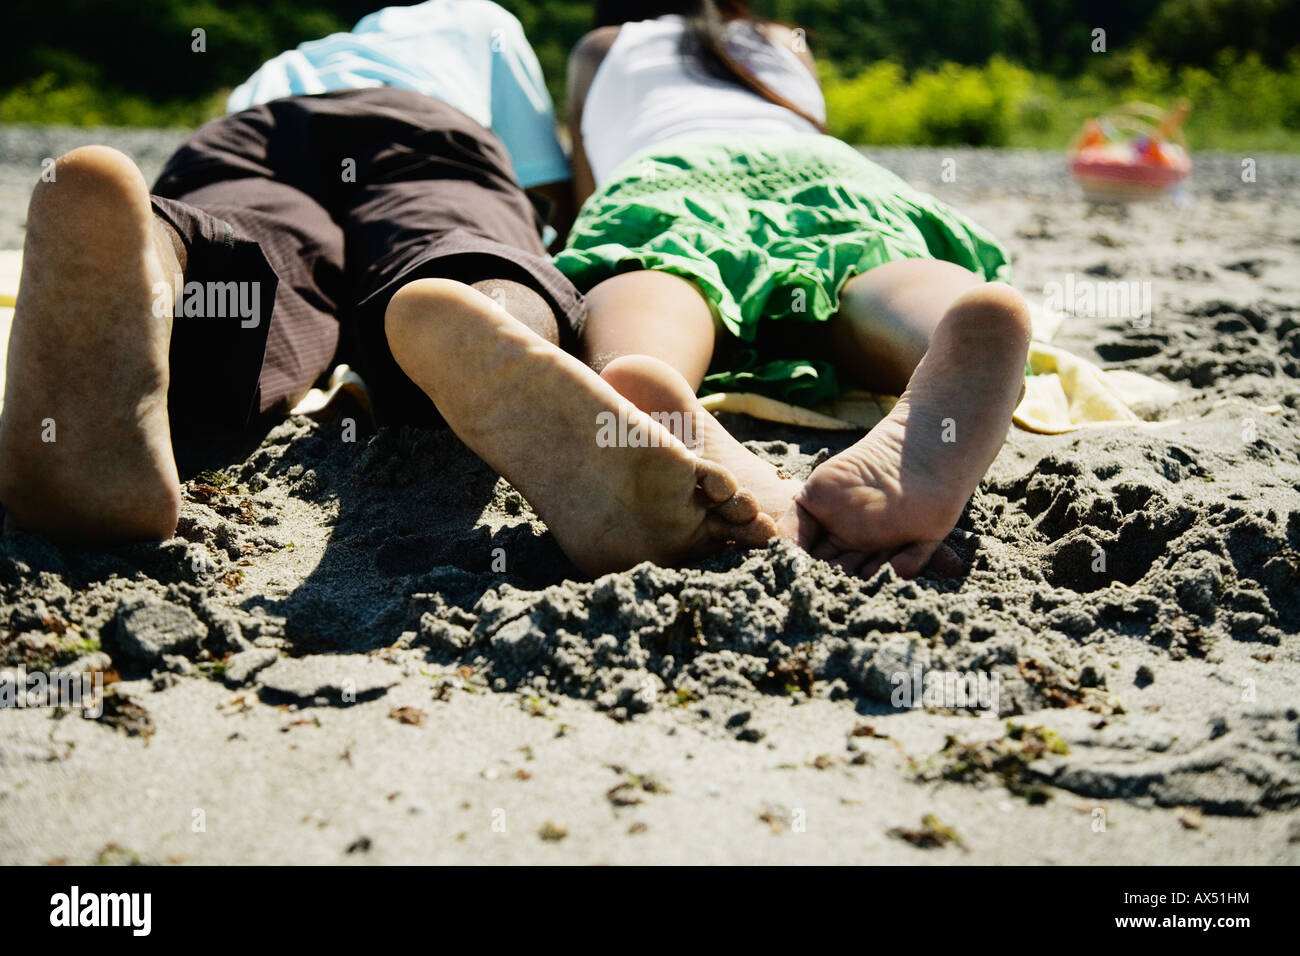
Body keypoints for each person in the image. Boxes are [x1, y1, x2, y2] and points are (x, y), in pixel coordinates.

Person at [0, 0, 773, 576]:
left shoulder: (295, 55)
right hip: (418, 125)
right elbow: (543, 189)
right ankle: (480, 305)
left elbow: (223, 132)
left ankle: (163, 256)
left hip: (249, 134)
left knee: (255, 255)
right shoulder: (478, 19)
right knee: (459, 233)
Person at [558, 0, 1033, 578]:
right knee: (859, 264)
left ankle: (638, 373)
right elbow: (812, 129)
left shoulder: (602, 46)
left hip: (668, 174)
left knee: (658, 271)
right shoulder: (786, 39)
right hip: (827, 173)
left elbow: (583, 192)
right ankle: (946, 322)